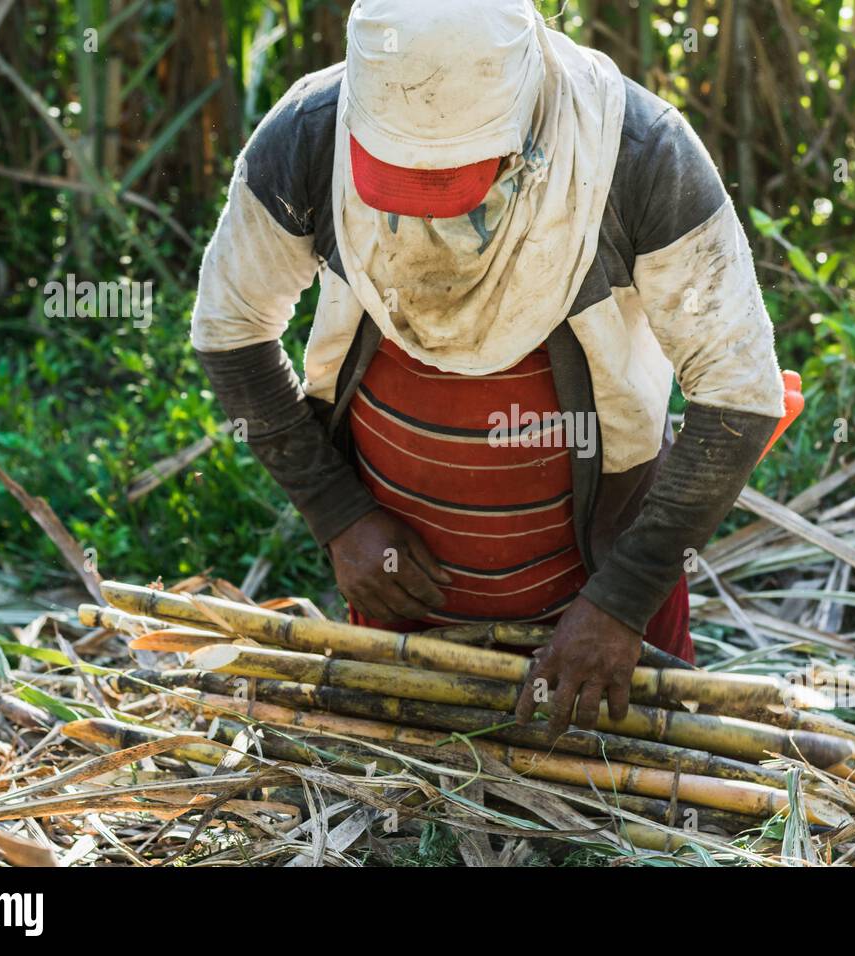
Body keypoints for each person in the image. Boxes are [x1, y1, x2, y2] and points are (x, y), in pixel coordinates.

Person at [190, 0, 786, 740]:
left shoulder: (637, 153)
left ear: (522, 137)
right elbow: (229, 329)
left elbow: (740, 392)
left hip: (601, 612)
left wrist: (621, 601)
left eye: (449, 185)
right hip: (397, 602)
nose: (429, 219)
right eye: (401, 183)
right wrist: (336, 513)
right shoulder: (311, 134)